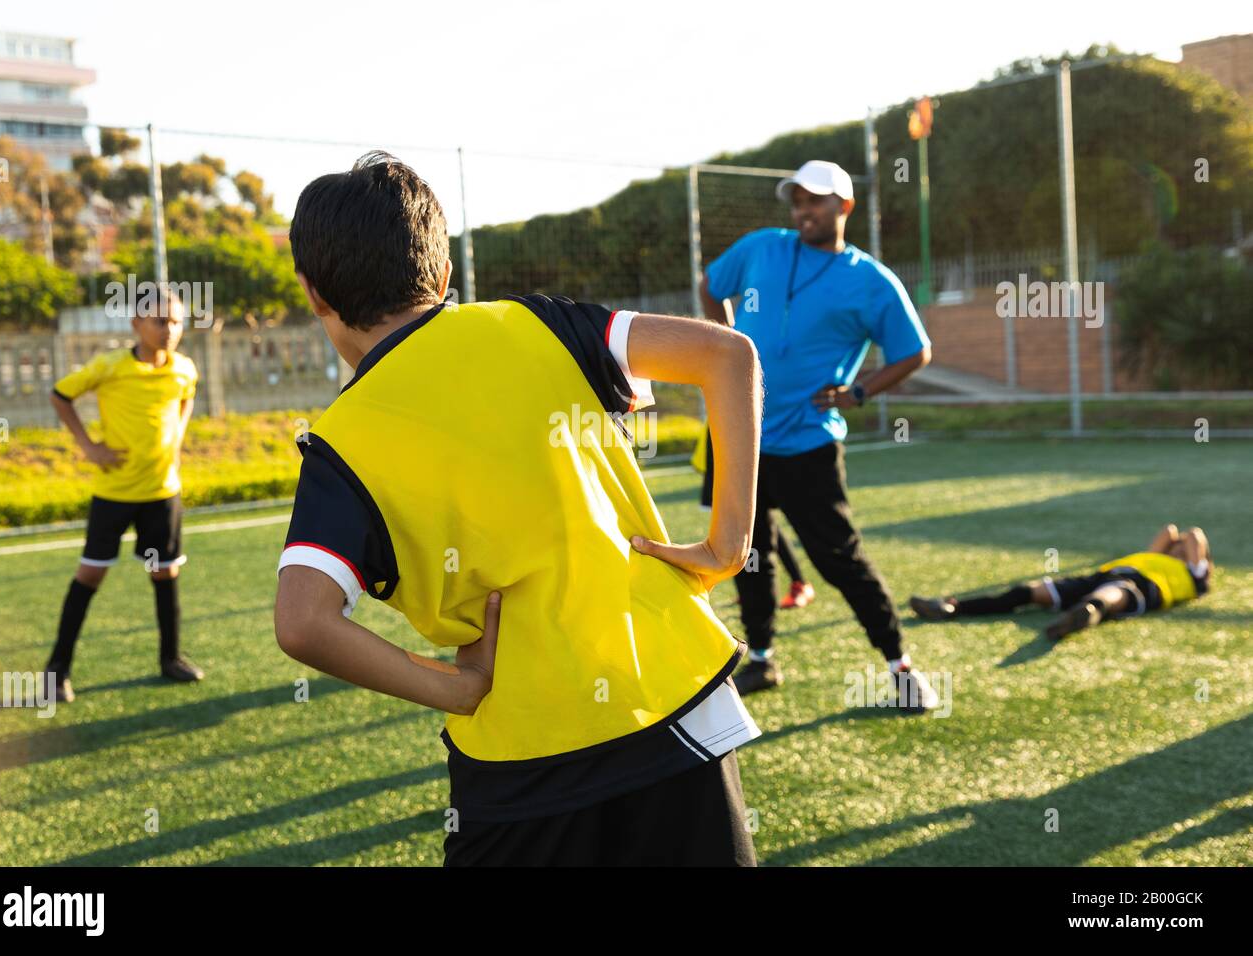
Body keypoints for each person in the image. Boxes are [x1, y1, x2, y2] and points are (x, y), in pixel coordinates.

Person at [273, 152, 764, 866]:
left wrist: (457, 686)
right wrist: (728, 545)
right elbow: (728, 355)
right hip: (667, 704)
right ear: (443, 276)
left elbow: (303, 622)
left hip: (518, 756)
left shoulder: (340, 445)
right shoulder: (537, 324)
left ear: (313, 293)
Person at [699, 159, 937, 706]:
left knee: (839, 560)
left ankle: (901, 669)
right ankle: (759, 660)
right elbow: (711, 285)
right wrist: (725, 339)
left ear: (844, 207)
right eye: (798, 201)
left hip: (809, 443)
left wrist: (859, 393)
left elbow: (915, 350)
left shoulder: (871, 280)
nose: (804, 210)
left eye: (816, 201)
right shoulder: (763, 246)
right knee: (746, 554)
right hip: (741, 435)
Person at [44, 286, 204, 703]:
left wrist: (178, 435)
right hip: (114, 494)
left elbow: (187, 400)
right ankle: (56, 671)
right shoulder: (110, 366)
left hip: (163, 492)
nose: (169, 329)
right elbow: (61, 395)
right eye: (160, 321)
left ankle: (170, 659)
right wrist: (89, 447)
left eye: (176, 321)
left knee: (165, 573)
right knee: (91, 574)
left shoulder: (185, 369)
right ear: (137, 324)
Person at [910, 524, 1212, 640]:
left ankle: (1086, 613)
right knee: (1027, 591)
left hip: (1145, 587)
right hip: (1105, 575)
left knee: (1114, 594)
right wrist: (1175, 540)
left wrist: (1186, 547)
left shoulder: (1194, 575)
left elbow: (1195, 534)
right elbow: (1169, 531)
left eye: (1181, 548)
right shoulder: (1148, 557)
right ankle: (952, 607)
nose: (1177, 544)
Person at [699, 429, 814, 608]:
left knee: (758, 528)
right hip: (725, 451)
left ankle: (798, 583)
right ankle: (752, 589)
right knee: (745, 529)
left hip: (754, 456)